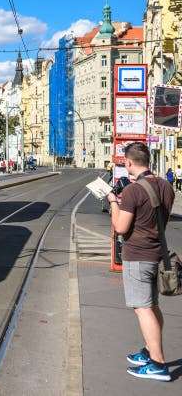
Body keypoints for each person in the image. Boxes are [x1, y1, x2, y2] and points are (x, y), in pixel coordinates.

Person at [106, 142, 174, 382]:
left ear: (129, 163)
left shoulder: (134, 192)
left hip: (138, 256)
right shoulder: (166, 187)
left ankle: (158, 363)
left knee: (143, 309)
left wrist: (114, 202)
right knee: (152, 306)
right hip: (157, 253)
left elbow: (121, 227)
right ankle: (149, 351)